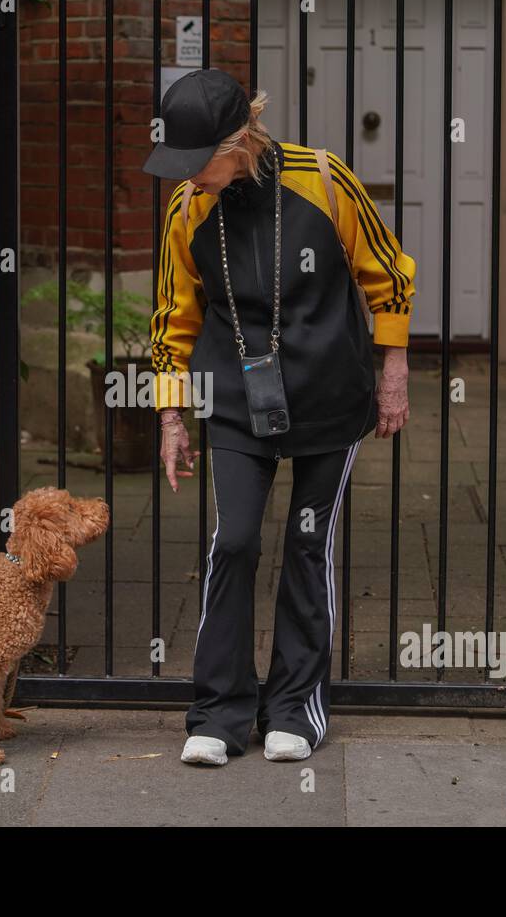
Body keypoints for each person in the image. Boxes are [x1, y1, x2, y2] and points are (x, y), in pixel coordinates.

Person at [143, 68, 416, 766]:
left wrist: (393, 371)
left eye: (194, 162)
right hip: (236, 397)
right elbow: (174, 318)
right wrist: (173, 416)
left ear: (239, 142)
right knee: (232, 539)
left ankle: (296, 706)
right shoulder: (188, 210)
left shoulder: (325, 179)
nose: (185, 178)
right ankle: (220, 709)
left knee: (307, 545)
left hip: (329, 392)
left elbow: (389, 273)